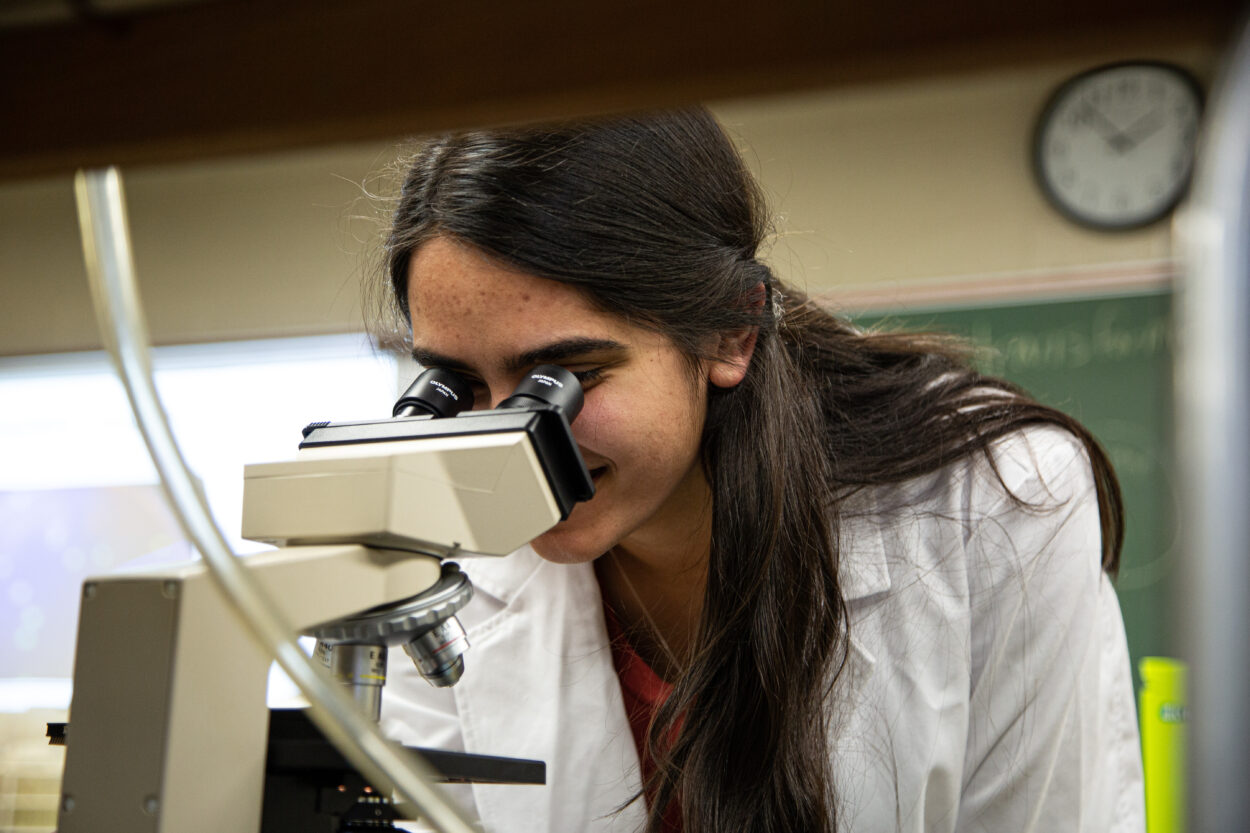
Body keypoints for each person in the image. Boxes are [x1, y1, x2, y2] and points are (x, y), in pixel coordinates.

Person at [372, 109, 1144, 833]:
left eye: (564, 376)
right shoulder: (438, 562)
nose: (509, 441)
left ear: (731, 332)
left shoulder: (996, 499)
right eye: (463, 388)